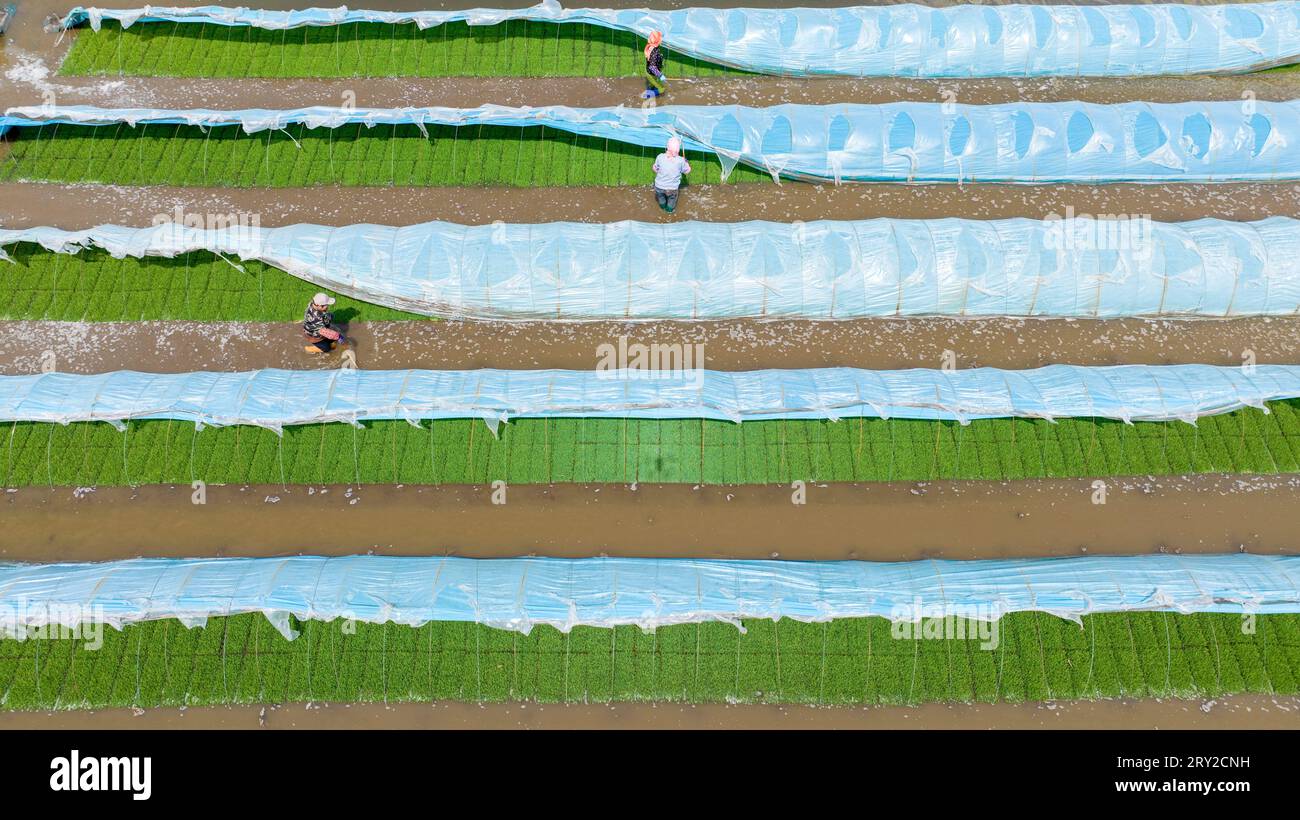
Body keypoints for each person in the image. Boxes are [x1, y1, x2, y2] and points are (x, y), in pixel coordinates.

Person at [651, 136, 691, 214]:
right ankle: (669, 211)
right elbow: (687, 171)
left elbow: (655, 169)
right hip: (672, 188)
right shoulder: (681, 160)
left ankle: (662, 207)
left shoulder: (660, 156)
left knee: (661, 198)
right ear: (678, 149)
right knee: (672, 200)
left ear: (667, 147)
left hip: (659, 186)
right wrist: (686, 163)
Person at [641, 30, 667, 100]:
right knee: (662, 89)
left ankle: (650, 89)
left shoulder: (650, 47)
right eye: (660, 38)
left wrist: (659, 56)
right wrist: (660, 75)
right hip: (652, 74)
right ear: (657, 40)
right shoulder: (655, 52)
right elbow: (652, 67)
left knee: (651, 84)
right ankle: (647, 96)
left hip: (648, 72)